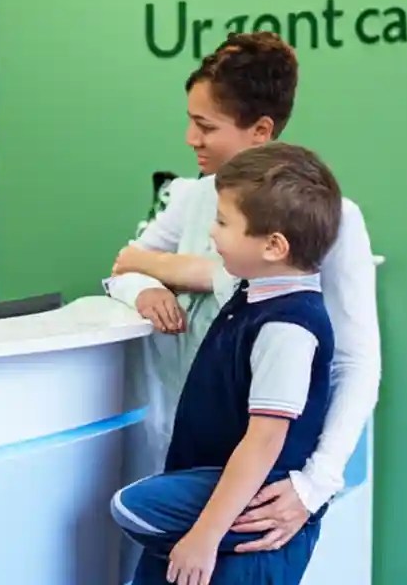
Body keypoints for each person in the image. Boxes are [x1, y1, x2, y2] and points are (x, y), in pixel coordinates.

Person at [104, 32, 380, 554]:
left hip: (274, 481)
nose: (190, 138)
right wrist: (143, 284)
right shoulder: (193, 196)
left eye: (205, 126)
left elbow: (356, 363)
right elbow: (122, 267)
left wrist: (314, 485)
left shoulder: (335, 219)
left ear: (260, 130)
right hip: (192, 452)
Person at [111, 142, 342, 584]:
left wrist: (205, 534)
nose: (212, 234)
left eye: (222, 222)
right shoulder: (250, 292)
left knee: (133, 507)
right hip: (210, 492)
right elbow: (170, 268)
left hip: (243, 521)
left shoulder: (288, 328)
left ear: (273, 246)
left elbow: (263, 442)